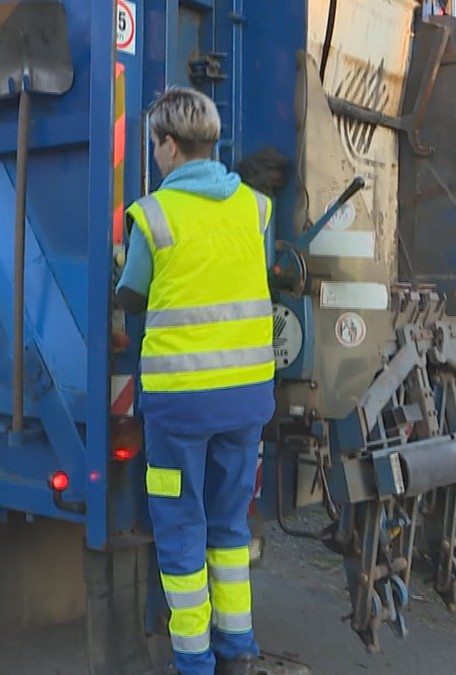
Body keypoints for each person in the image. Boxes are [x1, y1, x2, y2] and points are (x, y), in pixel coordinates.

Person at [115, 87, 275, 675]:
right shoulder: (255, 208)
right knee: (229, 527)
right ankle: (238, 650)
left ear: (169, 145)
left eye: (155, 145)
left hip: (180, 407)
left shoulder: (154, 215)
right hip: (246, 401)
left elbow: (132, 296)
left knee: (182, 530)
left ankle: (193, 661)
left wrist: (122, 267)